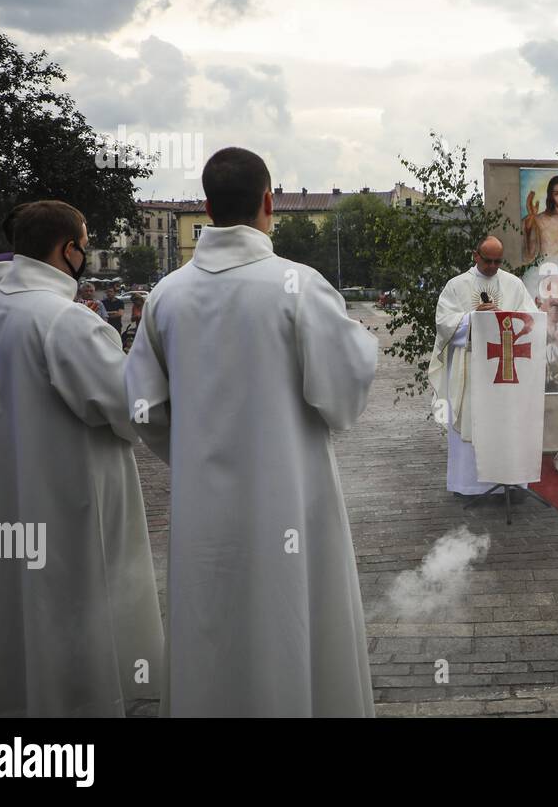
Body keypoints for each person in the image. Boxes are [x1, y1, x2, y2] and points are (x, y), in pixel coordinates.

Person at [124, 147, 379, 717]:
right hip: (292, 497)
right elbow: (342, 391)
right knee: (293, 619)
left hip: (203, 512)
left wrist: (193, 454)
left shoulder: (167, 294)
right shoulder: (298, 286)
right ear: (270, 203)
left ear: (207, 208)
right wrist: (365, 344)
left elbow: (144, 407)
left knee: (212, 624)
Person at [0, 200, 163, 717]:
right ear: (68, 250)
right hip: (64, 505)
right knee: (66, 617)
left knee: (3, 611)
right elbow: (127, 409)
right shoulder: (67, 322)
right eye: (84, 244)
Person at [428, 236, 538, 495]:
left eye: (498, 261)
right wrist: (475, 318)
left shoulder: (513, 284)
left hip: (504, 370)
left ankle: (508, 483)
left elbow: (531, 320)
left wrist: (504, 319)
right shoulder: (457, 286)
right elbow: (444, 324)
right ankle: (467, 486)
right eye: (487, 260)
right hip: (470, 368)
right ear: (475, 255)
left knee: (505, 424)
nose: (492, 266)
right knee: (471, 422)